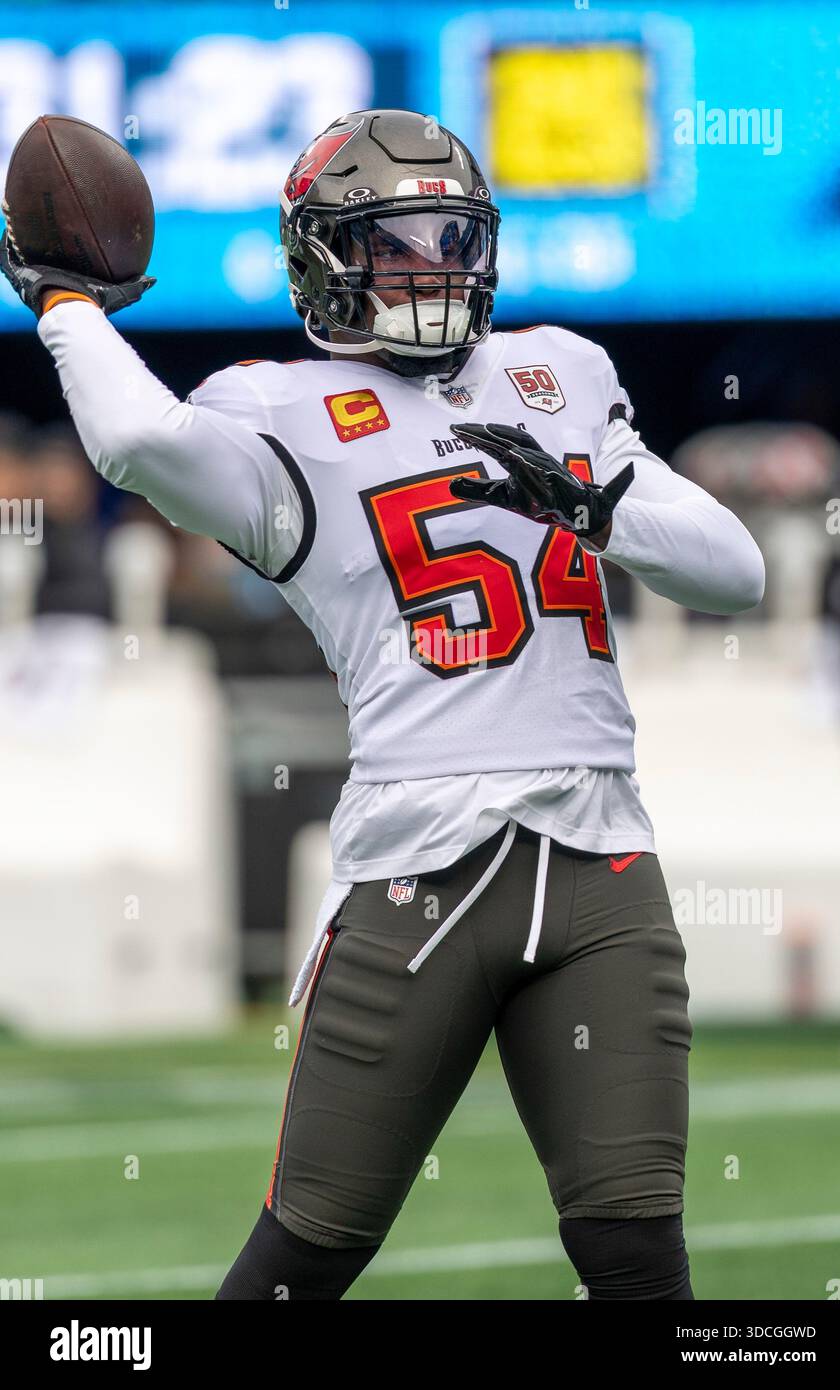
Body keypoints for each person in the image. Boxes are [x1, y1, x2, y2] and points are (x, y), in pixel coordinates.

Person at [1, 108, 765, 1301]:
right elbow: (136, 439)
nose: (433, 268)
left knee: (635, 1260)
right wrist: (65, 302)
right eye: (396, 242)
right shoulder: (274, 408)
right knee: (301, 1260)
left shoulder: (556, 373)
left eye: (451, 239)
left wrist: (589, 502)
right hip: (421, 865)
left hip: (603, 863)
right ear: (321, 258)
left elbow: (733, 570)